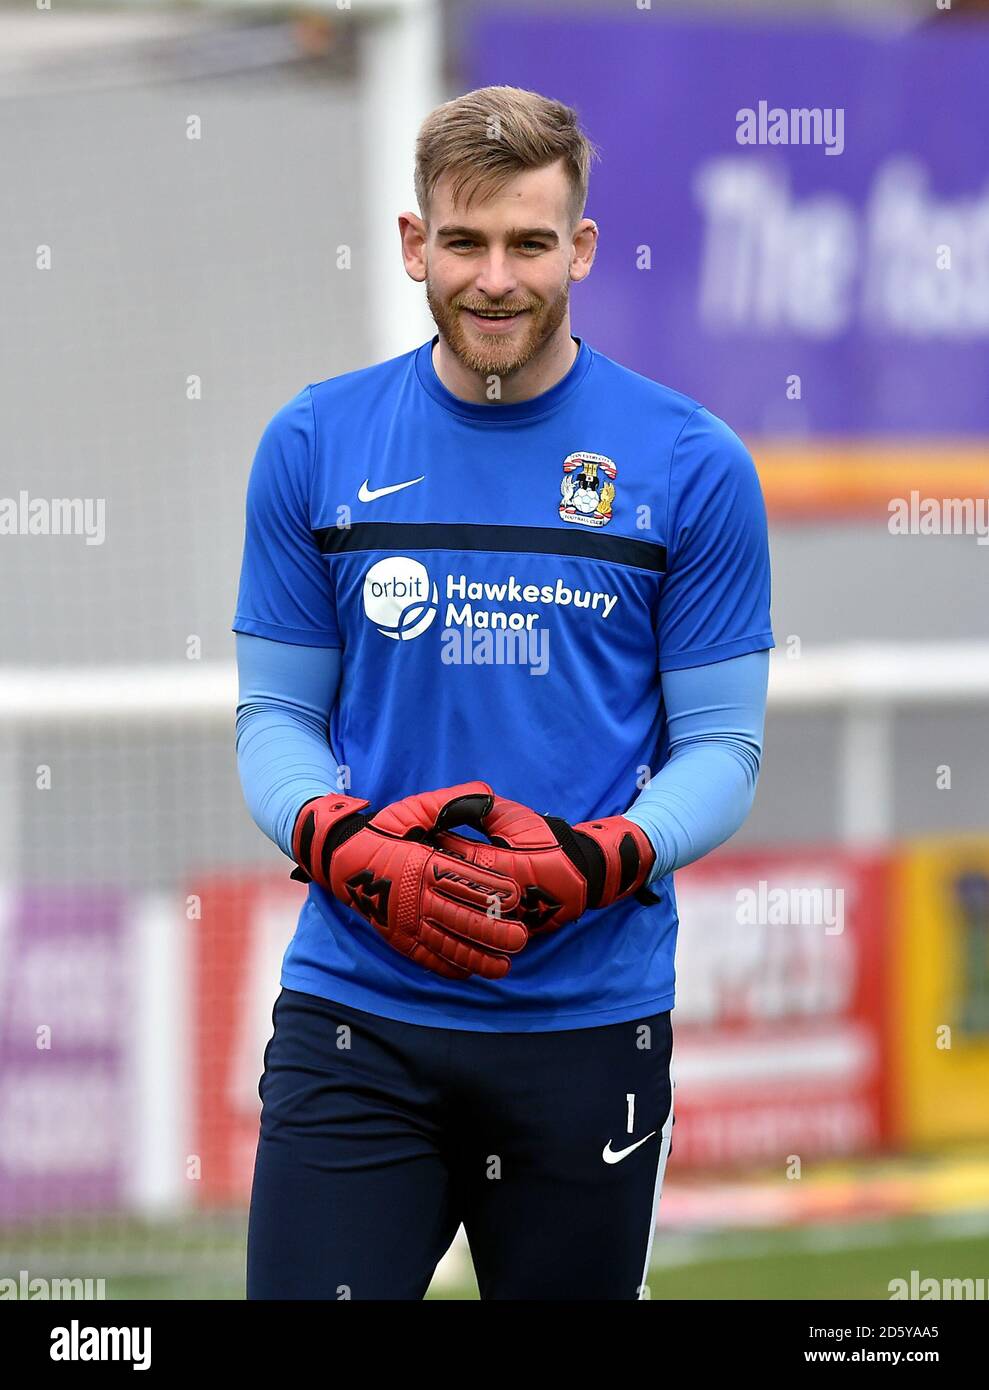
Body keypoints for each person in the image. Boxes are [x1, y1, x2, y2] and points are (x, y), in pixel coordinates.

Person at [234, 85, 773, 1301]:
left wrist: (593, 862)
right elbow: (274, 718)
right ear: (415, 243)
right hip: (354, 1019)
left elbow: (723, 748)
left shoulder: (690, 463)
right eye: (464, 242)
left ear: (577, 247)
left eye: (528, 242)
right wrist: (340, 838)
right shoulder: (314, 442)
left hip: (590, 1026)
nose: (494, 278)